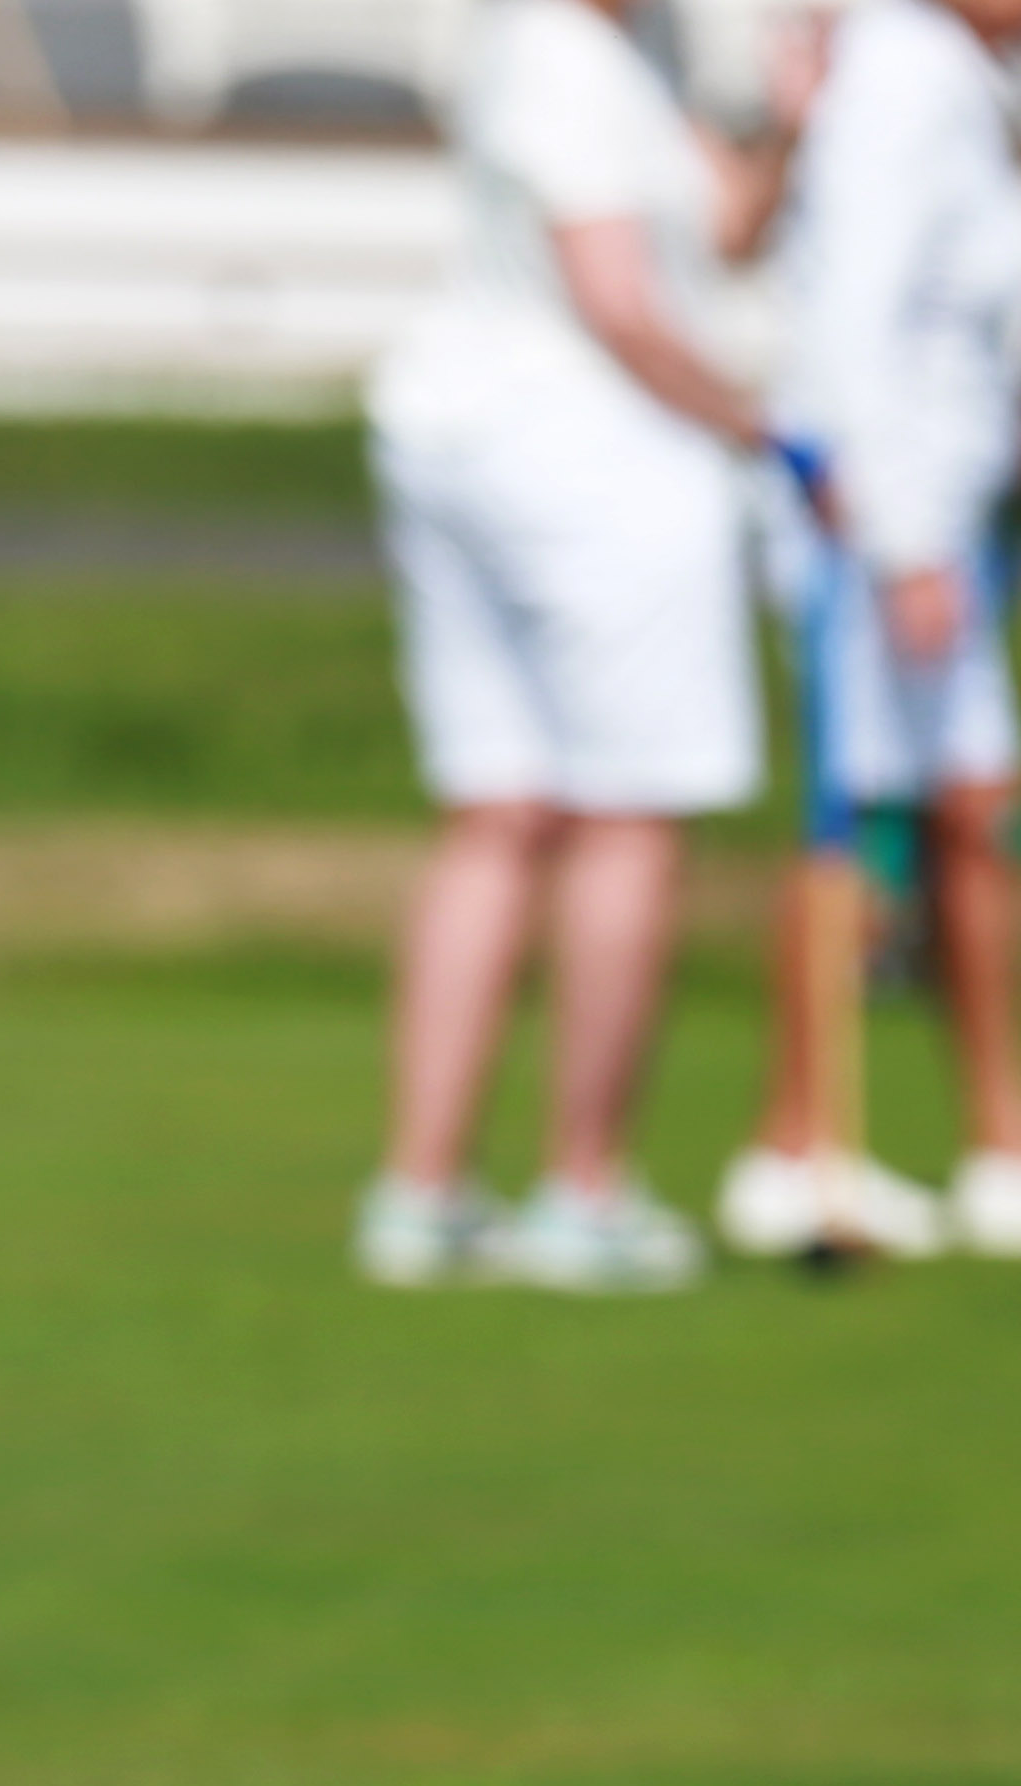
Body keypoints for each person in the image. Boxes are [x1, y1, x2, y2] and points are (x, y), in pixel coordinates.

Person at [355, 0, 802, 1294]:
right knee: (628, 817)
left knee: (500, 809)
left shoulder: (614, 61)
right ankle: (583, 1187)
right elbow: (623, 306)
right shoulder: (564, 57)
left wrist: (787, 120)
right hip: (586, 465)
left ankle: (426, 1190)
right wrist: (766, 434)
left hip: (470, 446)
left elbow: (724, 232)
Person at [720, 0, 1021, 1264]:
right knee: (866, 815)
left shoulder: (957, 73)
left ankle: (995, 1143)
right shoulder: (904, 76)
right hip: (886, 521)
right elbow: (854, 316)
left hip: (945, 506)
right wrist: (895, 537)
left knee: (966, 807)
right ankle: (797, 1146)